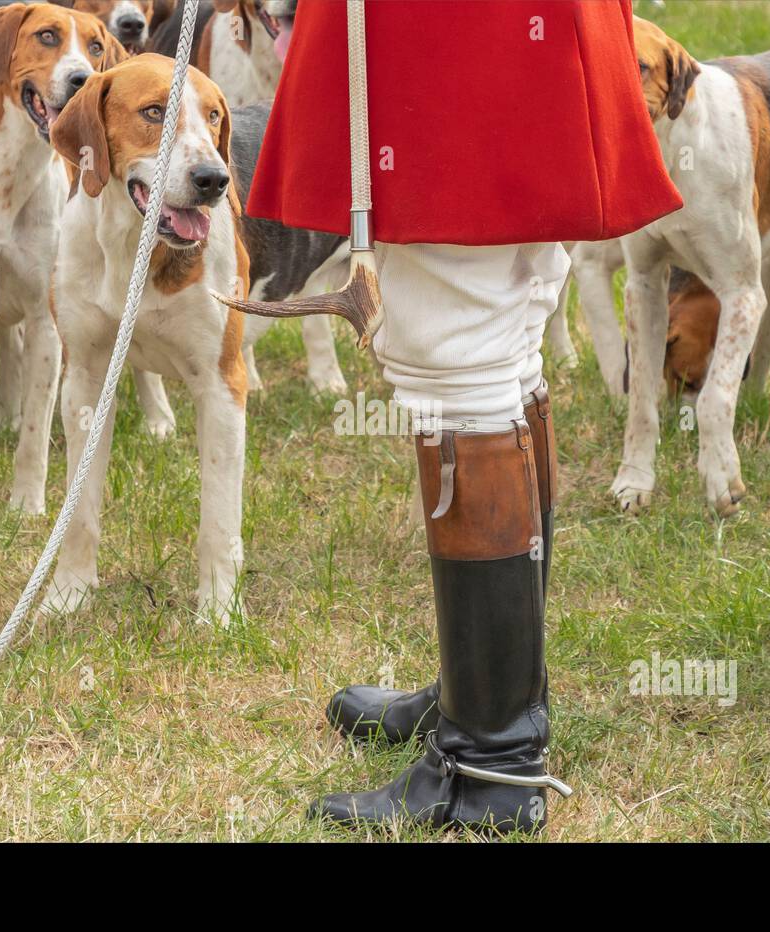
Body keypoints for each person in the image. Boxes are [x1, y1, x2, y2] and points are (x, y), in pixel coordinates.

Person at [246, 0, 683, 833]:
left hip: (457, 34)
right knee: (506, 341)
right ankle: (492, 694)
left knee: (459, 355)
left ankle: (492, 760)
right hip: (513, 32)